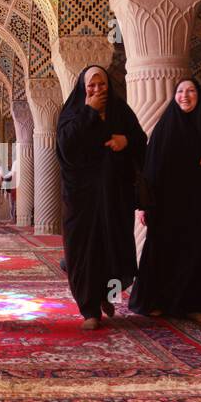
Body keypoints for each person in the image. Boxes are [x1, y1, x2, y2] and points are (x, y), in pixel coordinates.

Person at [129, 77, 201, 323]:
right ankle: (157, 301)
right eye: (180, 91)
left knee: (200, 252)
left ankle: (195, 304)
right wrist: (143, 206)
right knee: (163, 251)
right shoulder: (165, 128)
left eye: (191, 91)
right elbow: (150, 170)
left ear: (199, 95)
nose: (185, 95)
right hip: (168, 207)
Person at [55, 66, 146, 329]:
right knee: (85, 251)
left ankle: (106, 294)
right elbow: (65, 146)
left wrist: (125, 141)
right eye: (91, 85)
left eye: (102, 85)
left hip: (115, 195)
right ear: (83, 87)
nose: (97, 90)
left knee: (115, 249)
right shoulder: (73, 112)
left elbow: (141, 141)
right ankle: (90, 309)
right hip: (81, 199)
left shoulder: (120, 111)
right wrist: (89, 111)